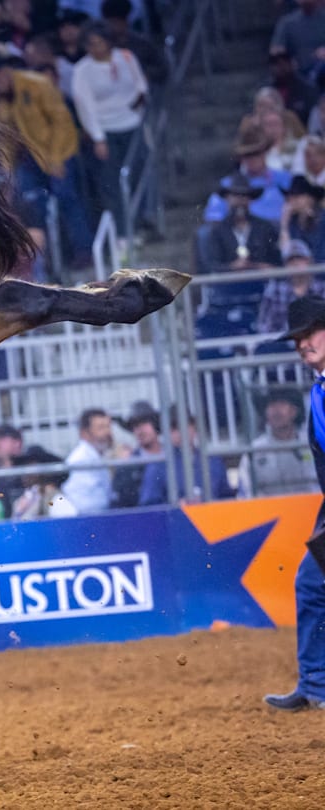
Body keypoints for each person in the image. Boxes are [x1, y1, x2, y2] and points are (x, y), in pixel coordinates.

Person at [265, 297, 325, 710]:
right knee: (310, 584)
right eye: (298, 339)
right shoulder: (319, 389)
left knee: (311, 585)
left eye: (310, 334)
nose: (303, 344)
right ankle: (316, 685)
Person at [71, 23, 148, 232]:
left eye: (99, 43)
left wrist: (136, 108)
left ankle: (144, 221)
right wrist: (98, 138)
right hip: (106, 130)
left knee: (139, 174)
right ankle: (123, 230)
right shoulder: (82, 70)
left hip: (132, 124)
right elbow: (85, 106)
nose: (96, 48)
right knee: (112, 183)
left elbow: (140, 85)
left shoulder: (126, 57)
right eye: (91, 44)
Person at [138, 414, 234, 505]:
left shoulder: (214, 461)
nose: (181, 431)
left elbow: (227, 499)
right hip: (176, 521)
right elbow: (149, 506)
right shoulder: (158, 466)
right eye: (174, 428)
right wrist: (175, 507)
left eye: (185, 424)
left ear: (194, 427)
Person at [202, 175, 283, 274]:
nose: (240, 201)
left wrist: (256, 266)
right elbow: (212, 265)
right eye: (236, 196)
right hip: (228, 286)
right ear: (227, 198)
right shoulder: (217, 231)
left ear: (250, 199)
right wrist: (232, 267)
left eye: (244, 196)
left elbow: (277, 261)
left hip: (262, 285)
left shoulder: (264, 227)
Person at [249, 386, 316, 498]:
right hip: (269, 512)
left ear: (295, 411)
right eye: (271, 405)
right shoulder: (256, 449)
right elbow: (247, 490)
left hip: (313, 509)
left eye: (282, 403)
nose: (276, 410)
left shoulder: (313, 444)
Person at [61, 407, 120, 514]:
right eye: (101, 428)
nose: (108, 432)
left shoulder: (98, 456)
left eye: (108, 427)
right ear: (84, 433)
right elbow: (86, 505)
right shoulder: (81, 460)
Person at [112, 400, 166, 509]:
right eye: (135, 426)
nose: (140, 430)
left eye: (144, 423)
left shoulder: (175, 456)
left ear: (155, 424)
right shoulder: (127, 467)